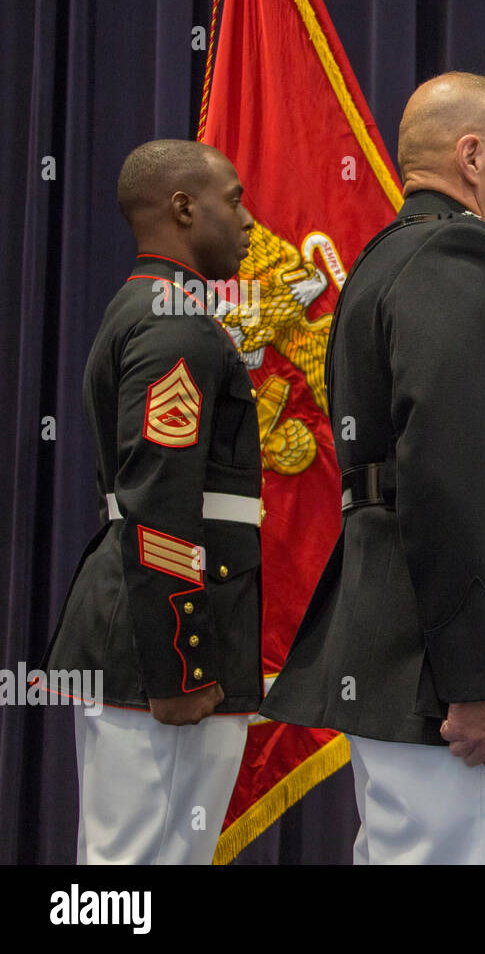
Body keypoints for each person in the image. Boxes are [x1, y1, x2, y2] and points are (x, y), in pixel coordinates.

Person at [260, 72, 485, 864]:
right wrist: (478, 675)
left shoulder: (387, 257)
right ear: (472, 157)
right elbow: (450, 476)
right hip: (443, 667)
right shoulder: (457, 255)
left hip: (407, 645)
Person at [40, 139, 261, 863]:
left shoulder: (154, 308)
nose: (249, 220)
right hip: (161, 641)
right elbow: (159, 501)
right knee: (135, 867)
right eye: (233, 198)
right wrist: (181, 662)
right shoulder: (174, 324)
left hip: (157, 629)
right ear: (182, 206)